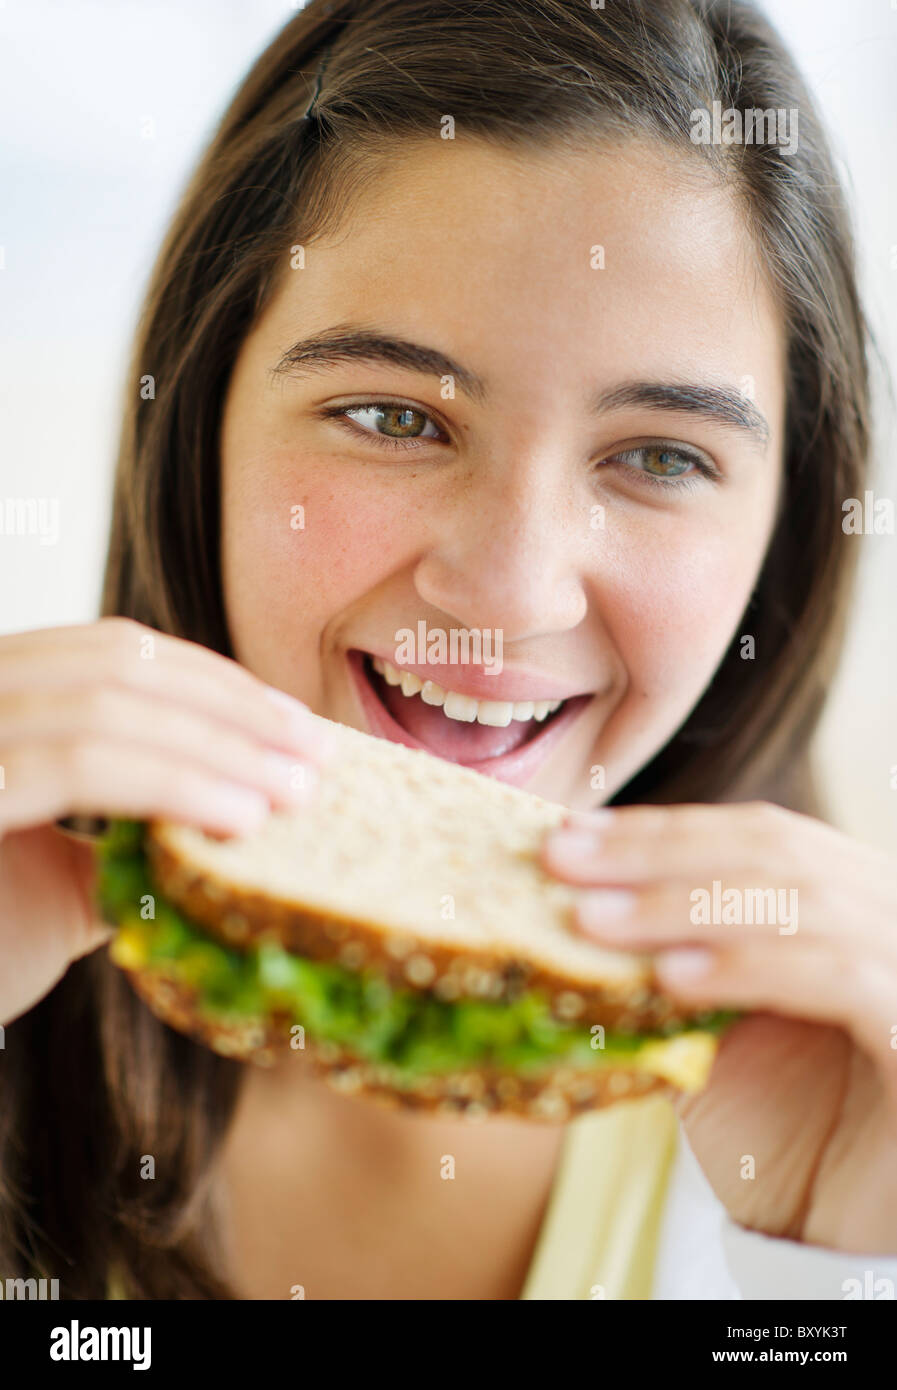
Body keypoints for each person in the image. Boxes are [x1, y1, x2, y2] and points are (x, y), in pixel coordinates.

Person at [1, 0, 895, 1300]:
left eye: (657, 455)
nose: (511, 592)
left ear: (784, 531)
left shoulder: (850, 1116)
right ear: (201, 430)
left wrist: (824, 1280)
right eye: (390, 414)